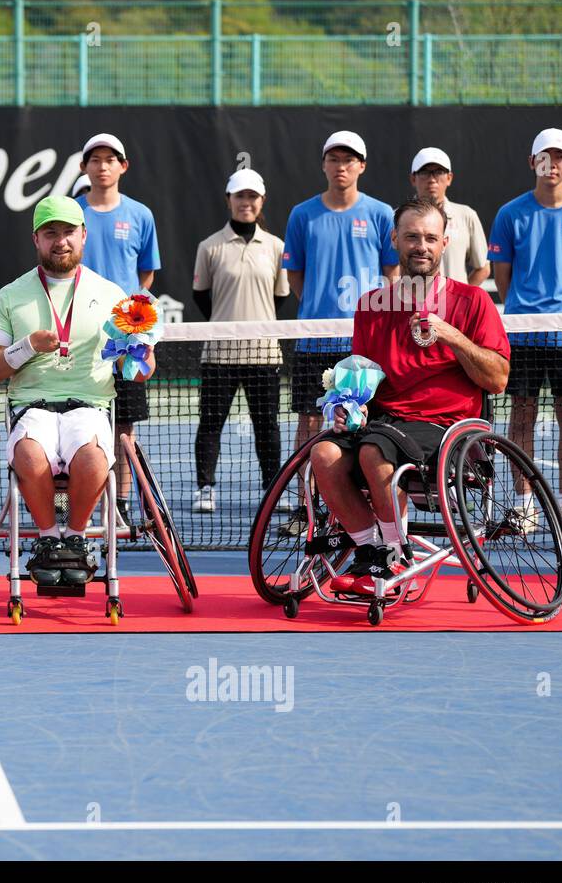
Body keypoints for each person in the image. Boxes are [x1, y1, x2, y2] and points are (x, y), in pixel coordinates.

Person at [311, 196, 509, 596]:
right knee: (324, 454)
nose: (421, 245)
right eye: (412, 237)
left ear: (444, 243)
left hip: (445, 429)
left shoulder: (474, 302)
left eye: (430, 238)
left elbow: (497, 379)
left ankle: (395, 557)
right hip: (382, 424)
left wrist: (450, 334)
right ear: (395, 240)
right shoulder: (371, 306)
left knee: (373, 451)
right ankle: (371, 552)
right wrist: (347, 407)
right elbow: (362, 377)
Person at [0, 195, 152, 585]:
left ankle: (74, 538)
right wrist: (27, 347)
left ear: (84, 235)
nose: (61, 241)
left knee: (91, 458)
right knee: (28, 452)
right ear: (35, 239)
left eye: (69, 232)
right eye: (50, 233)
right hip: (32, 407)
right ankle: (48, 539)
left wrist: (137, 352)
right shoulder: (10, 295)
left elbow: (141, 373)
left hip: (89, 406)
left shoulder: (111, 296)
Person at [283, 131, 398, 506]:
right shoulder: (302, 215)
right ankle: (306, 503)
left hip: (364, 343)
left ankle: (360, 499)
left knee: (368, 422)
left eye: (349, 160)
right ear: (324, 165)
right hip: (315, 338)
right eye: (334, 159)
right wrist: (321, 313)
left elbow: (391, 275)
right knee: (311, 422)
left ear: (361, 166)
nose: (341, 166)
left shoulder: (381, 214)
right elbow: (296, 275)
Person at [490, 127, 562, 536]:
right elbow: (503, 279)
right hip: (522, 331)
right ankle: (523, 505)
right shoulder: (510, 214)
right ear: (533, 163)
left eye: (560, 156)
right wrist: (527, 311)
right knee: (522, 415)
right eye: (544, 156)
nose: (552, 163)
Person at [191, 169, 290, 514]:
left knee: (268, 426)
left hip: (264, 353)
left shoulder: (277, 247)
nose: (246, 203)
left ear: (261, 201)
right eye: (239, 196)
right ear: (229, 200)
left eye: (252, 197)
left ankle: (272, 488)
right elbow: (201, 296)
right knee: (210, 424)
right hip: (218, 353)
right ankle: (206, 487)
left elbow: (279, 297)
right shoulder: (210, 247)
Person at [73, 133, 161, 525]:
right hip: (76, 337)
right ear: (84, 166)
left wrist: (131, 325)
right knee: (69, 425)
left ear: (123, 166)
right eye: (96, 159)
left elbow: (145, 275)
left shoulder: (140, 215)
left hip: (124, 341)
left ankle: (120, 503)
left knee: (124, 427)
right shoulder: (71, 213)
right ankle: (70, 508)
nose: (103, 165)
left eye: (111, 159)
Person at [408, 148, 489, 287]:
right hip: (412, 306)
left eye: (439, 172)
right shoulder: (396, 218)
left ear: (449, 178)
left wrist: (461, 297)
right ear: (413, 178)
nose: (432, 179)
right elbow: (390, 268)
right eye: (425, 172)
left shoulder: (466, 215)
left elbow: (483, 268)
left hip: (455, 307)